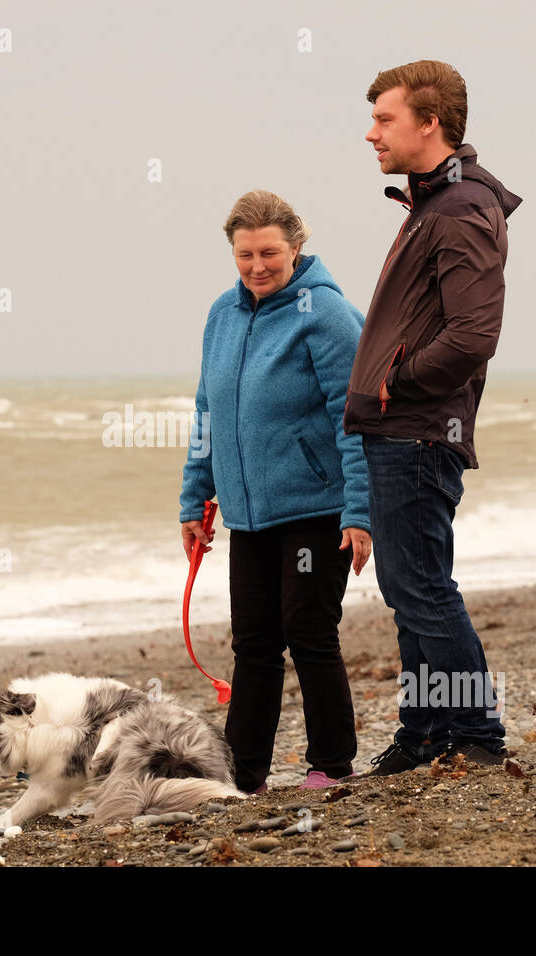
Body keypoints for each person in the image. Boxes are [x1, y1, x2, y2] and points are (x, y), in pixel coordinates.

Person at [343, 60, 523, 774]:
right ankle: (424, 734)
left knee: (420, 587)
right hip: (404, 429)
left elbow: (474, 335)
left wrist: (395, 384)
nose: (371, 133)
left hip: (418, 430)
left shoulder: (459, 209)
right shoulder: (433, 204)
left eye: (384, 119)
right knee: (410, 587)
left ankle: (477, 734)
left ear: (430, 123)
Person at [179, 190, 372, 793]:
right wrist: (194, 499)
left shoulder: (326, 313)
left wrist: (360, 512)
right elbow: (207, 412)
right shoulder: (222, 314)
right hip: (247, 515)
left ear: (296, 247)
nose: (257, 266)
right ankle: (244, 775)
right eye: (245, 255)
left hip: (317, 508)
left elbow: (354, 418)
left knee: (308, 632)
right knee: (253, 643)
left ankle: (331, 765)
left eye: (269, 253)